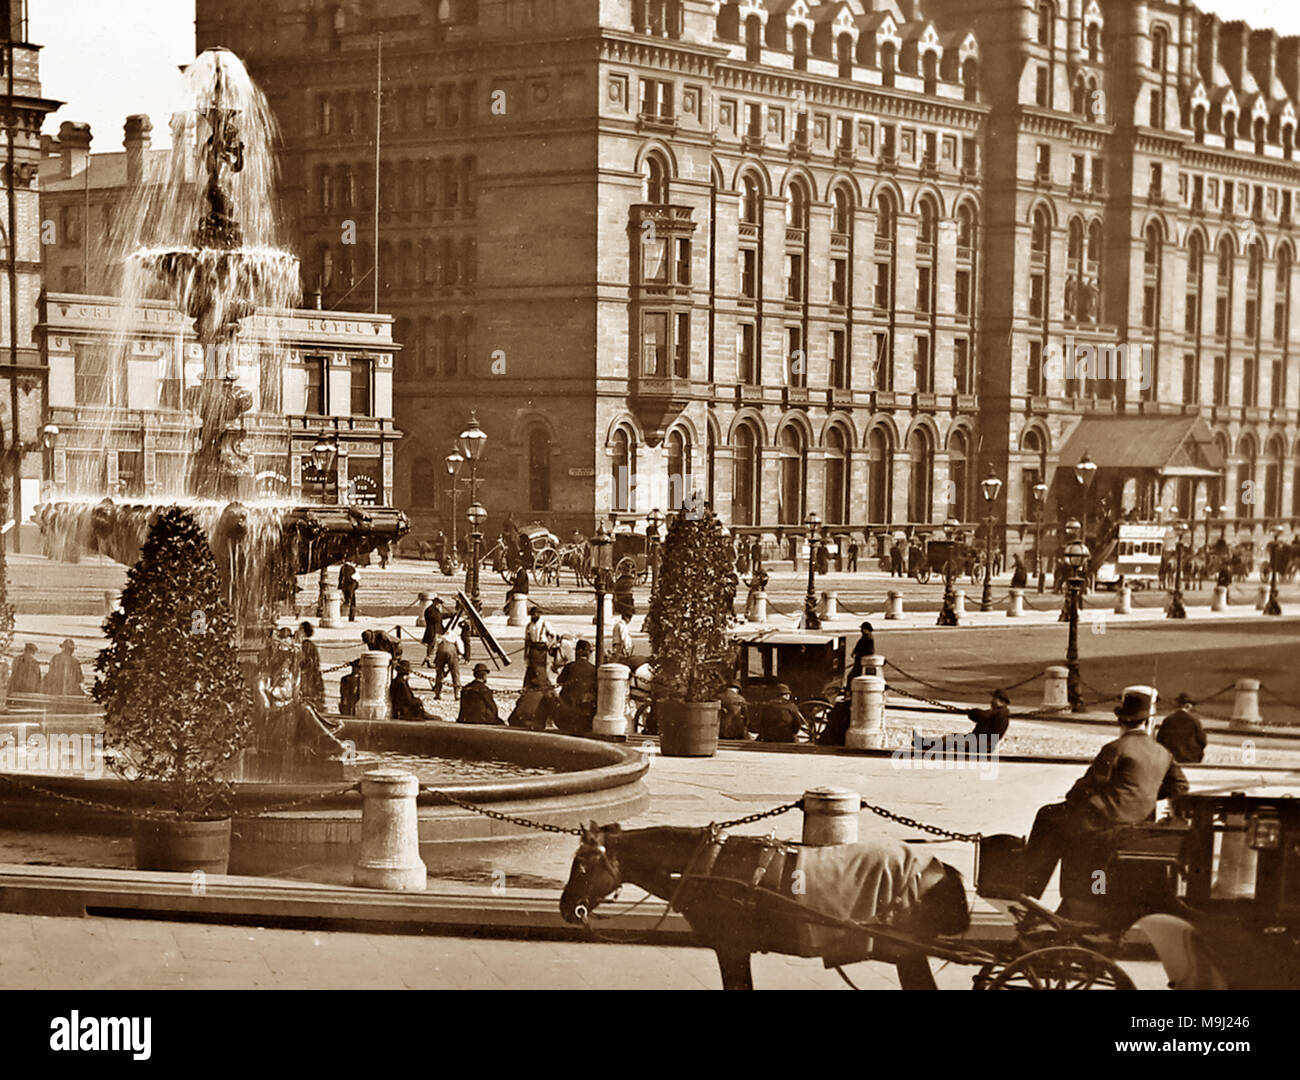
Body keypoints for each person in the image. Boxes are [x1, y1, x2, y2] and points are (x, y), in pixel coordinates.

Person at [1020, 685, 1189, 902]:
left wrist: (1073, 799)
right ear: (1147, 723)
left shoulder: (1116, 748)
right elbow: (1180, 786)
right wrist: (1145, 794)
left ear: (1121, 722)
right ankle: (1069, 892)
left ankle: (1030, 889)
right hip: (1139, 822)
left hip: (1103, 821)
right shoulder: (1163, 753)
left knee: (1048, 815)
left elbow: (1089, 784)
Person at [555, 640, 598, 734]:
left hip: (567, 715)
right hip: (587, 716)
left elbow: (559, 681)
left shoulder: (569, 667)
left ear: (578, 651)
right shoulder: (594, 669)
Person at [1156, 692, 1208, 764]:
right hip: (1191, 759)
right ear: (1189, 706)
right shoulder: (1195, 721)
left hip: (1171, 759)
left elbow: (1159, 740)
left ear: (1177, 704)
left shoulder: (1168, 720)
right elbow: (1203, 741)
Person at [953, 690, 1011, 754]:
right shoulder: (1001, 714)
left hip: (980, 743)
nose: (991, 702)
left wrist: (972, 712)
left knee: (949, 740)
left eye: (994, 699)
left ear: (1001, 702)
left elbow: (980, 716)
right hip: (982, 743)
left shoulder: (999, 713)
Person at [522, 606, 554, 689]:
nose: (533, 616)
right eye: (532, 615)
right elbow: (527, 640)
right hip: (533, 648)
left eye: (535, 614)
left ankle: (543, 684)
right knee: (531, 667)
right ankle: (529, 685)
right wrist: (526, 653)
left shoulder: (544, 624)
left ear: (539, 614)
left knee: (541, 668)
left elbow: (553, 635)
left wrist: (549, 645)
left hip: (542, 648)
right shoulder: (529, 626)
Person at [297, 622, 325, 709]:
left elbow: (306, 662)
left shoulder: (306, 645)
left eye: (300, 629)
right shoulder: (310, 645)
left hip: (308, 676)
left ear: (303, 631)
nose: (298, 631)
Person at [422, 596, 446, 666]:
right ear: (435, 603)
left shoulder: (435, 611)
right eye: (439, 604)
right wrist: (440, 611)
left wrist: (451, 615)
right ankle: (430, 660)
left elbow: (441, 616)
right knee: (433, 648)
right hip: (433, 632)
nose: (440, 605)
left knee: (434, 647)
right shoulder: (430, 610)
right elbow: (437, 618)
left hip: (437, 631)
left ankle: (429, 659)